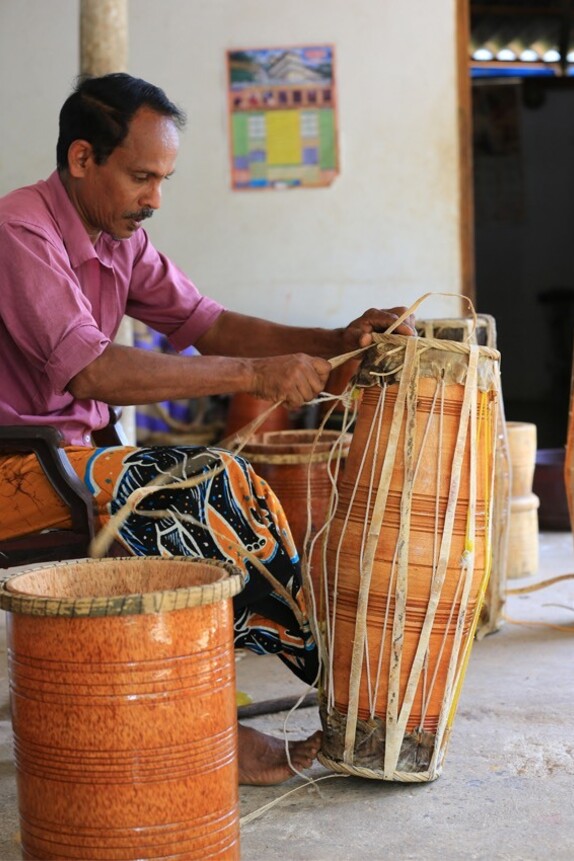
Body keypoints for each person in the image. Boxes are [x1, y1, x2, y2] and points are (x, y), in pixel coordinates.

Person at [0, 73, 415, 785]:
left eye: (163, 179)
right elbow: (92, 373)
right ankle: (239, 714)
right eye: (142, 177)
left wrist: (333, 339)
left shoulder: (118, 239)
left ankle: (245, 705)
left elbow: (209, 323)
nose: (155, 199)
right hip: (19, 470)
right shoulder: (19, 232)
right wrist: (255, 376)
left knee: (227, 494)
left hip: (70, 462)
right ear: (81, 158)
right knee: (211, 492)